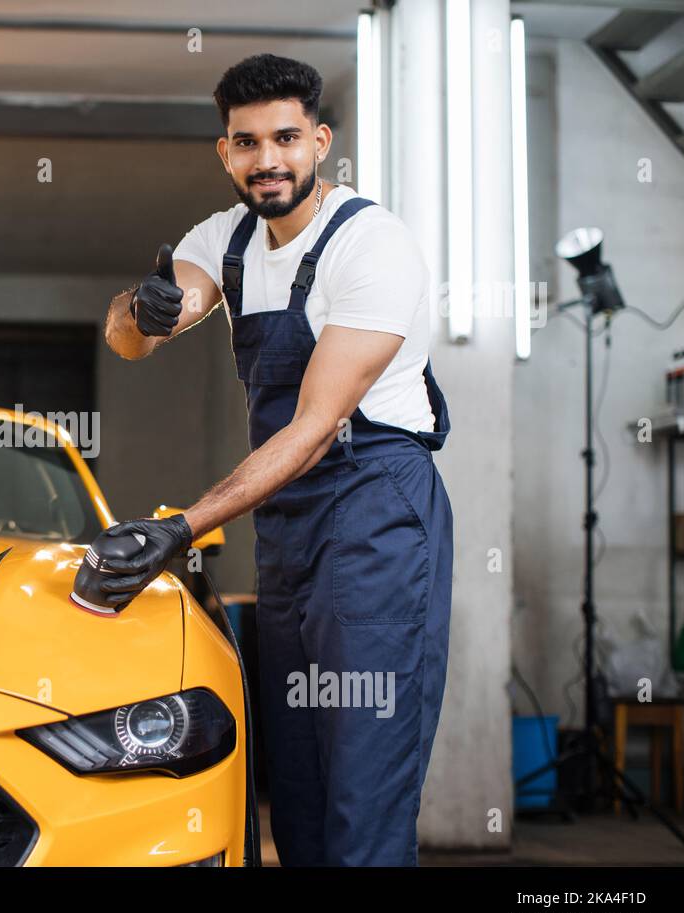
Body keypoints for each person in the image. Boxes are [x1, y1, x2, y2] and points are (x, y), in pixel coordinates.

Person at [97, 53, 453, 867]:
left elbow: (315, 428)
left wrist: (178, 529)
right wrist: (140, 310)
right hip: (288, 523)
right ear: (225, 153)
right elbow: (133, 339)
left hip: (376, 514)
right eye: (246, 142)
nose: (267, 160)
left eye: (286, 138)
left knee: (363, 782)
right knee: (291, 781)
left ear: (320, 142)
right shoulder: (221, 240)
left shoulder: (370, 244)